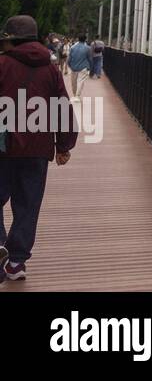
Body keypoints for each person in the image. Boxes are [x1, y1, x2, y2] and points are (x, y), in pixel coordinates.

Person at [0, 15, 77, 281]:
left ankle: (0, 247)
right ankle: (16, 262)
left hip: (3, 148)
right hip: (37, 149)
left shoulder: (1, 64)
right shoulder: (50, 69)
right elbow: (62, 108)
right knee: (28, 205)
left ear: (11, 40)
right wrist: (64, 145)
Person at [67, 36, 92, 100]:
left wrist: (69, 65)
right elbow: (90, 59)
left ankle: (75, 94)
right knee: (80, 81)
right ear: (85, 40)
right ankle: (77, 96)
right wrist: (90, 66)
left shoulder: (72, 47)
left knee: (73, 82)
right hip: (83, 67)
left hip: (74, 67)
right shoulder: (88, 48)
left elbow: (69, 58)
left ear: (78, 39)